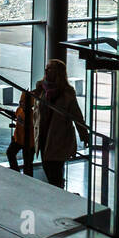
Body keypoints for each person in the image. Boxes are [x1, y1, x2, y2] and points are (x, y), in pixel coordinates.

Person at [35, 60, 88, 189]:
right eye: (46, 68)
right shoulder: (41, 88)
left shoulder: (67, 93)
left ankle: (58, 196)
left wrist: (84, 135)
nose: (46, 71)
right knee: (47, 168)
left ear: (58, 73)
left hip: (59, 138)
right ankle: (58, 193)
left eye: (50, 69)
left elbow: (77, 116)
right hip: (43, 136)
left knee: (55, 172)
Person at [7, 81, 41, 177]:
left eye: (23, 102)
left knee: (28, 164)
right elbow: (16, 115)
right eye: (21, 102)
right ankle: (16, 173)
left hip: (29, 144)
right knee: (10, 153)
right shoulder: (20, 110)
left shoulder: (33, 115)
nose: (21, 104)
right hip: (18, 139)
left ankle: (26, 179)